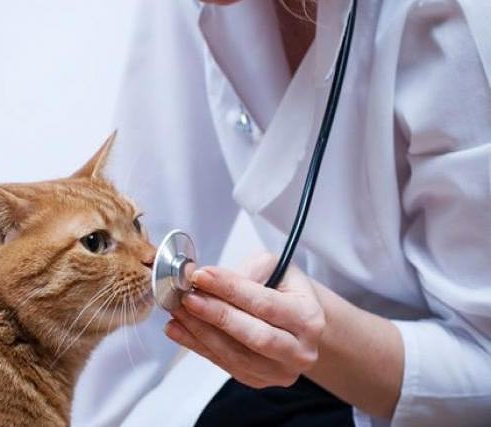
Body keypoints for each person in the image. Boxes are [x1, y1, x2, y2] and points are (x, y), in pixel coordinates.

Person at [71, 0, 491, 426]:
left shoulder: (448, 20)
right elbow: (141, 233)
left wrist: (326, 338)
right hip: (298, 374)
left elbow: (483, 364)